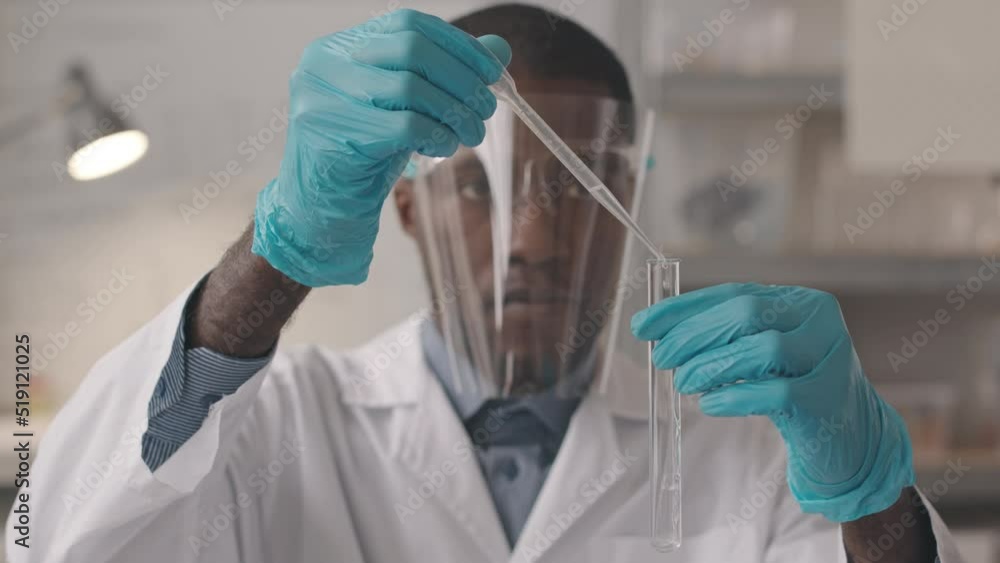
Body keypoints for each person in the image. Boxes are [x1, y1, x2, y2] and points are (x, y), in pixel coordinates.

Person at [6, 5, 962, 563]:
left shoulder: (754, 452)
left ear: (628, 196)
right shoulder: (278, 429)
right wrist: (276, 253)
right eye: (476, 187)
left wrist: (870, 496)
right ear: (406, 209)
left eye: (571, 187)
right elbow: (44, 535)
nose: (530, 239)